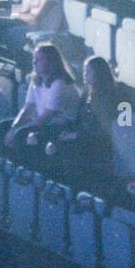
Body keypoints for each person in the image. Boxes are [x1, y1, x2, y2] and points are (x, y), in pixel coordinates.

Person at [0, 44, 80, 168]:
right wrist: (14, 127)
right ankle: (4, 165)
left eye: (38, 59)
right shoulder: (36, 80)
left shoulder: (60, 84)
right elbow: (28, 108)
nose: (34, 62)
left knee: (21, 134)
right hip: (44, 122)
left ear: (50, 62)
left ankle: (23, 170)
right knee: (3, 127)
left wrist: (16, 131)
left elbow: (46, 118)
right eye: (34, 58)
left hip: (61, 126)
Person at [51, 56, 117, 191]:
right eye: (84, 71)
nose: (84, 75)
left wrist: (75, 136)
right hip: (81, 136)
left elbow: (104, 131)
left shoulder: (110, 97)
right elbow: (78, 119)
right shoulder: (87, 93)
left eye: (89, 71)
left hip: (97, 143)